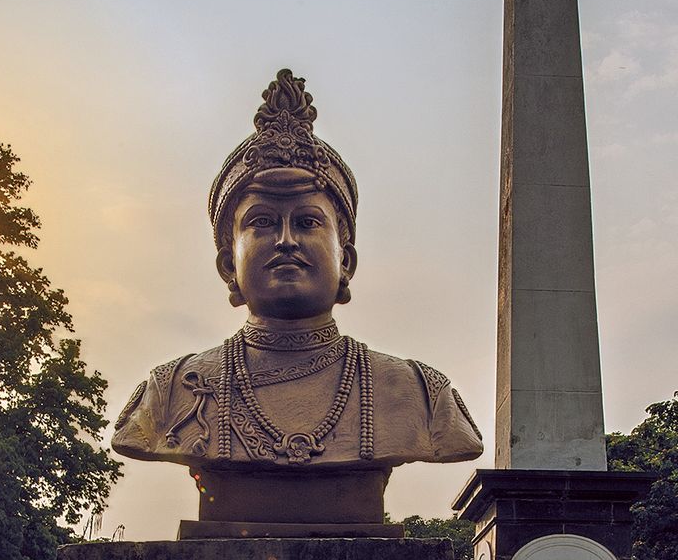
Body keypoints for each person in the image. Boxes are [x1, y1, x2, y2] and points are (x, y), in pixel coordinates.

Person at [112, 69, 483, 473]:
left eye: (307, 222)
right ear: (227, 266)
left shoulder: (417, 393)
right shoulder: (170, 391)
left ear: (346, 262)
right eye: (263, 222)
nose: (286, 240)